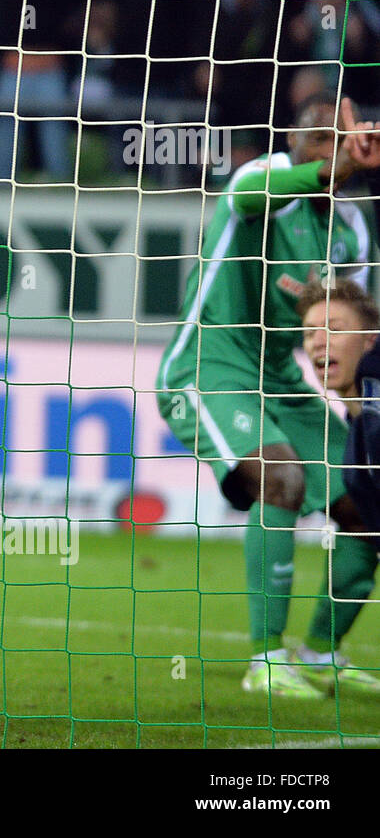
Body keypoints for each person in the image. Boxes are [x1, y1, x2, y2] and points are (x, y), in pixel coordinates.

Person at [156, 92, 380, 698]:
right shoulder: (262, 182)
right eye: (319, 141)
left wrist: (364, 414)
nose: (330, 153)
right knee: (281, 476)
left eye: (342, 140)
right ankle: (267, 661)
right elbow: (252, 194)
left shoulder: (353, 228)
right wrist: (344, 164)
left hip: (281, 380)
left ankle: (321, 652)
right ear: (294, 146)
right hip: (207, 367)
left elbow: (355, 330)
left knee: (369, 500)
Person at [293, 280, 380, 691]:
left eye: (334, 328)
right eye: (310, 332)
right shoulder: (357, 420)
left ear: (370, 342)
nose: (318, 343)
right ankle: (318, 654)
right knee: (361, 522)